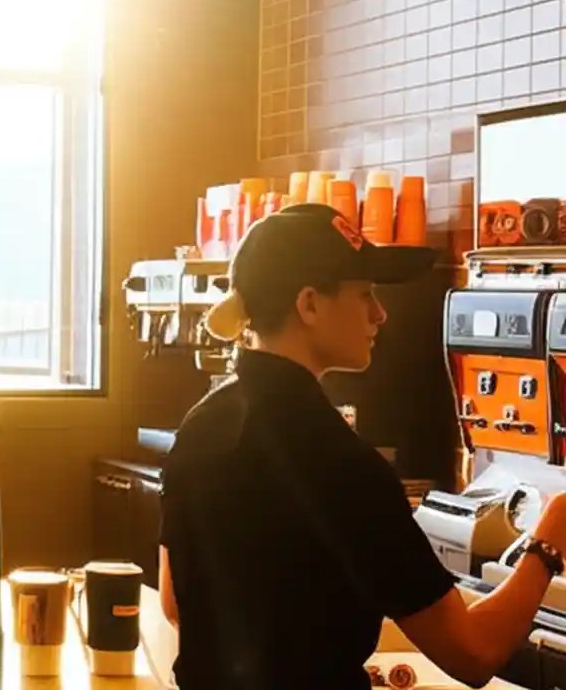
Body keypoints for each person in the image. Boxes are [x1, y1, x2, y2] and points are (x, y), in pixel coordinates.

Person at [158, 203, 566, 689]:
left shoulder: (203, 422)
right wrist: (548, 540)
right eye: (365, 294)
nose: (380, 313)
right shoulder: (340, 461)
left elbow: (176, 602)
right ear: (308, 304)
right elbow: (475, 654)